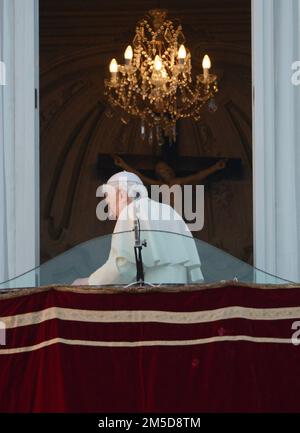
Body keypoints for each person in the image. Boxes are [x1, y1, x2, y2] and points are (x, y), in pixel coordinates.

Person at [72, 171, 204, 286]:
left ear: (122, 194)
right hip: (178, 299)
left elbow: (123, 267)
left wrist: (89, 282)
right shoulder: (169, 211)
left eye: (107, 195)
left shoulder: (131, 211)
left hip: (151, 300)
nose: (106, 202)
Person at [112, 155, 228, 186]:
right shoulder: (158, 185)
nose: (166, 170)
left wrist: (215, 167)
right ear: (158, 174)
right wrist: (123, 165)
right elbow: (140, 177)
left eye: (166, 168)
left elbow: (197, 176)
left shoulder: (178, 182)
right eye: (161, 170)